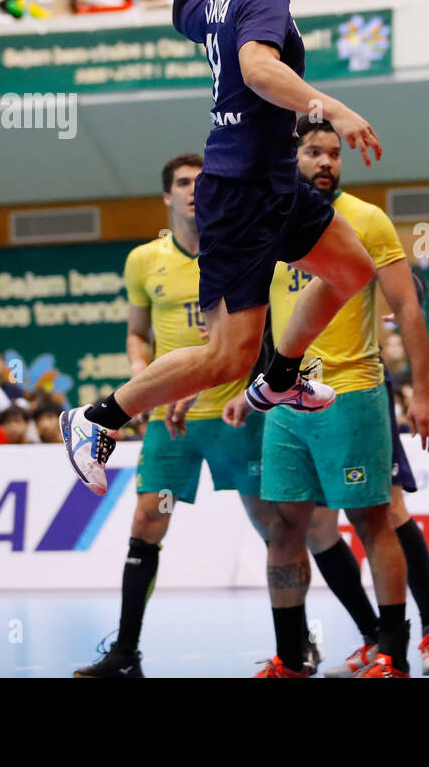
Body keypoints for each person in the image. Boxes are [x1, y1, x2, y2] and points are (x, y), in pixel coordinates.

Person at [62, 0, 387, 495]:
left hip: (272, 183)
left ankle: (283, 375)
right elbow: (258, 69)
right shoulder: (266, 2)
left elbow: (181, 8)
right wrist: (331, 110)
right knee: (226, 358)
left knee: (350, 268)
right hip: (242, 196)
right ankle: (96, 420)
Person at [75, 153, 323, 679]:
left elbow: (265, 332)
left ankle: (299, 642)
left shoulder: (239, 246)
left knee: (275, 527)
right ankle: (125, 653)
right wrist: (143, 384)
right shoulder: (144, 261)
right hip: (173, 424)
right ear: (167, 196)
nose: (194, 190)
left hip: (237, 414)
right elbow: (137, 334)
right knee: (147, 520)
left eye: (203, 182)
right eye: (184, 183)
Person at [223, 117, 429, 678]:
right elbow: (248, 320)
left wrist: (423, 392)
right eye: (313, 153)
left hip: (352, 392)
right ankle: (291, 658)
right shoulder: (266, 219)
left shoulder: (366, 219)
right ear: (288, 157)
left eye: (334, 154)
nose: (325, 163)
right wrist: (247, 392)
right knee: (285, 525)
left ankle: (393, 654)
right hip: (286, 399)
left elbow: (409, 306)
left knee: (373, 519)